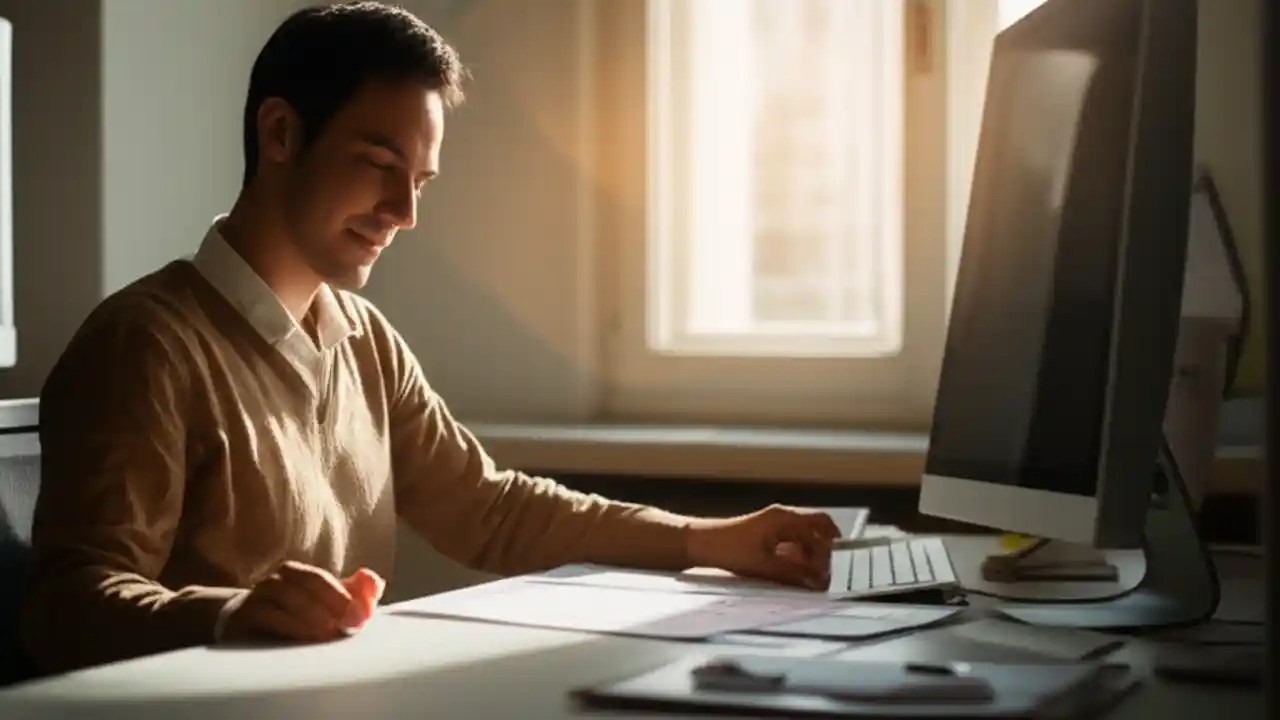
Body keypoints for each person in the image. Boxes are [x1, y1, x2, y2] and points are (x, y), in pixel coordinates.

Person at [20, 1, 839, 674]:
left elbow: (490, 510)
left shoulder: (364, 342)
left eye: (420, 181)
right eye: (379, 163)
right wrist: (231, 614)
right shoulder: (146, 348)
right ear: (279, 136)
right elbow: (68, 603)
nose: (404, 212)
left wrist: (708, 540)